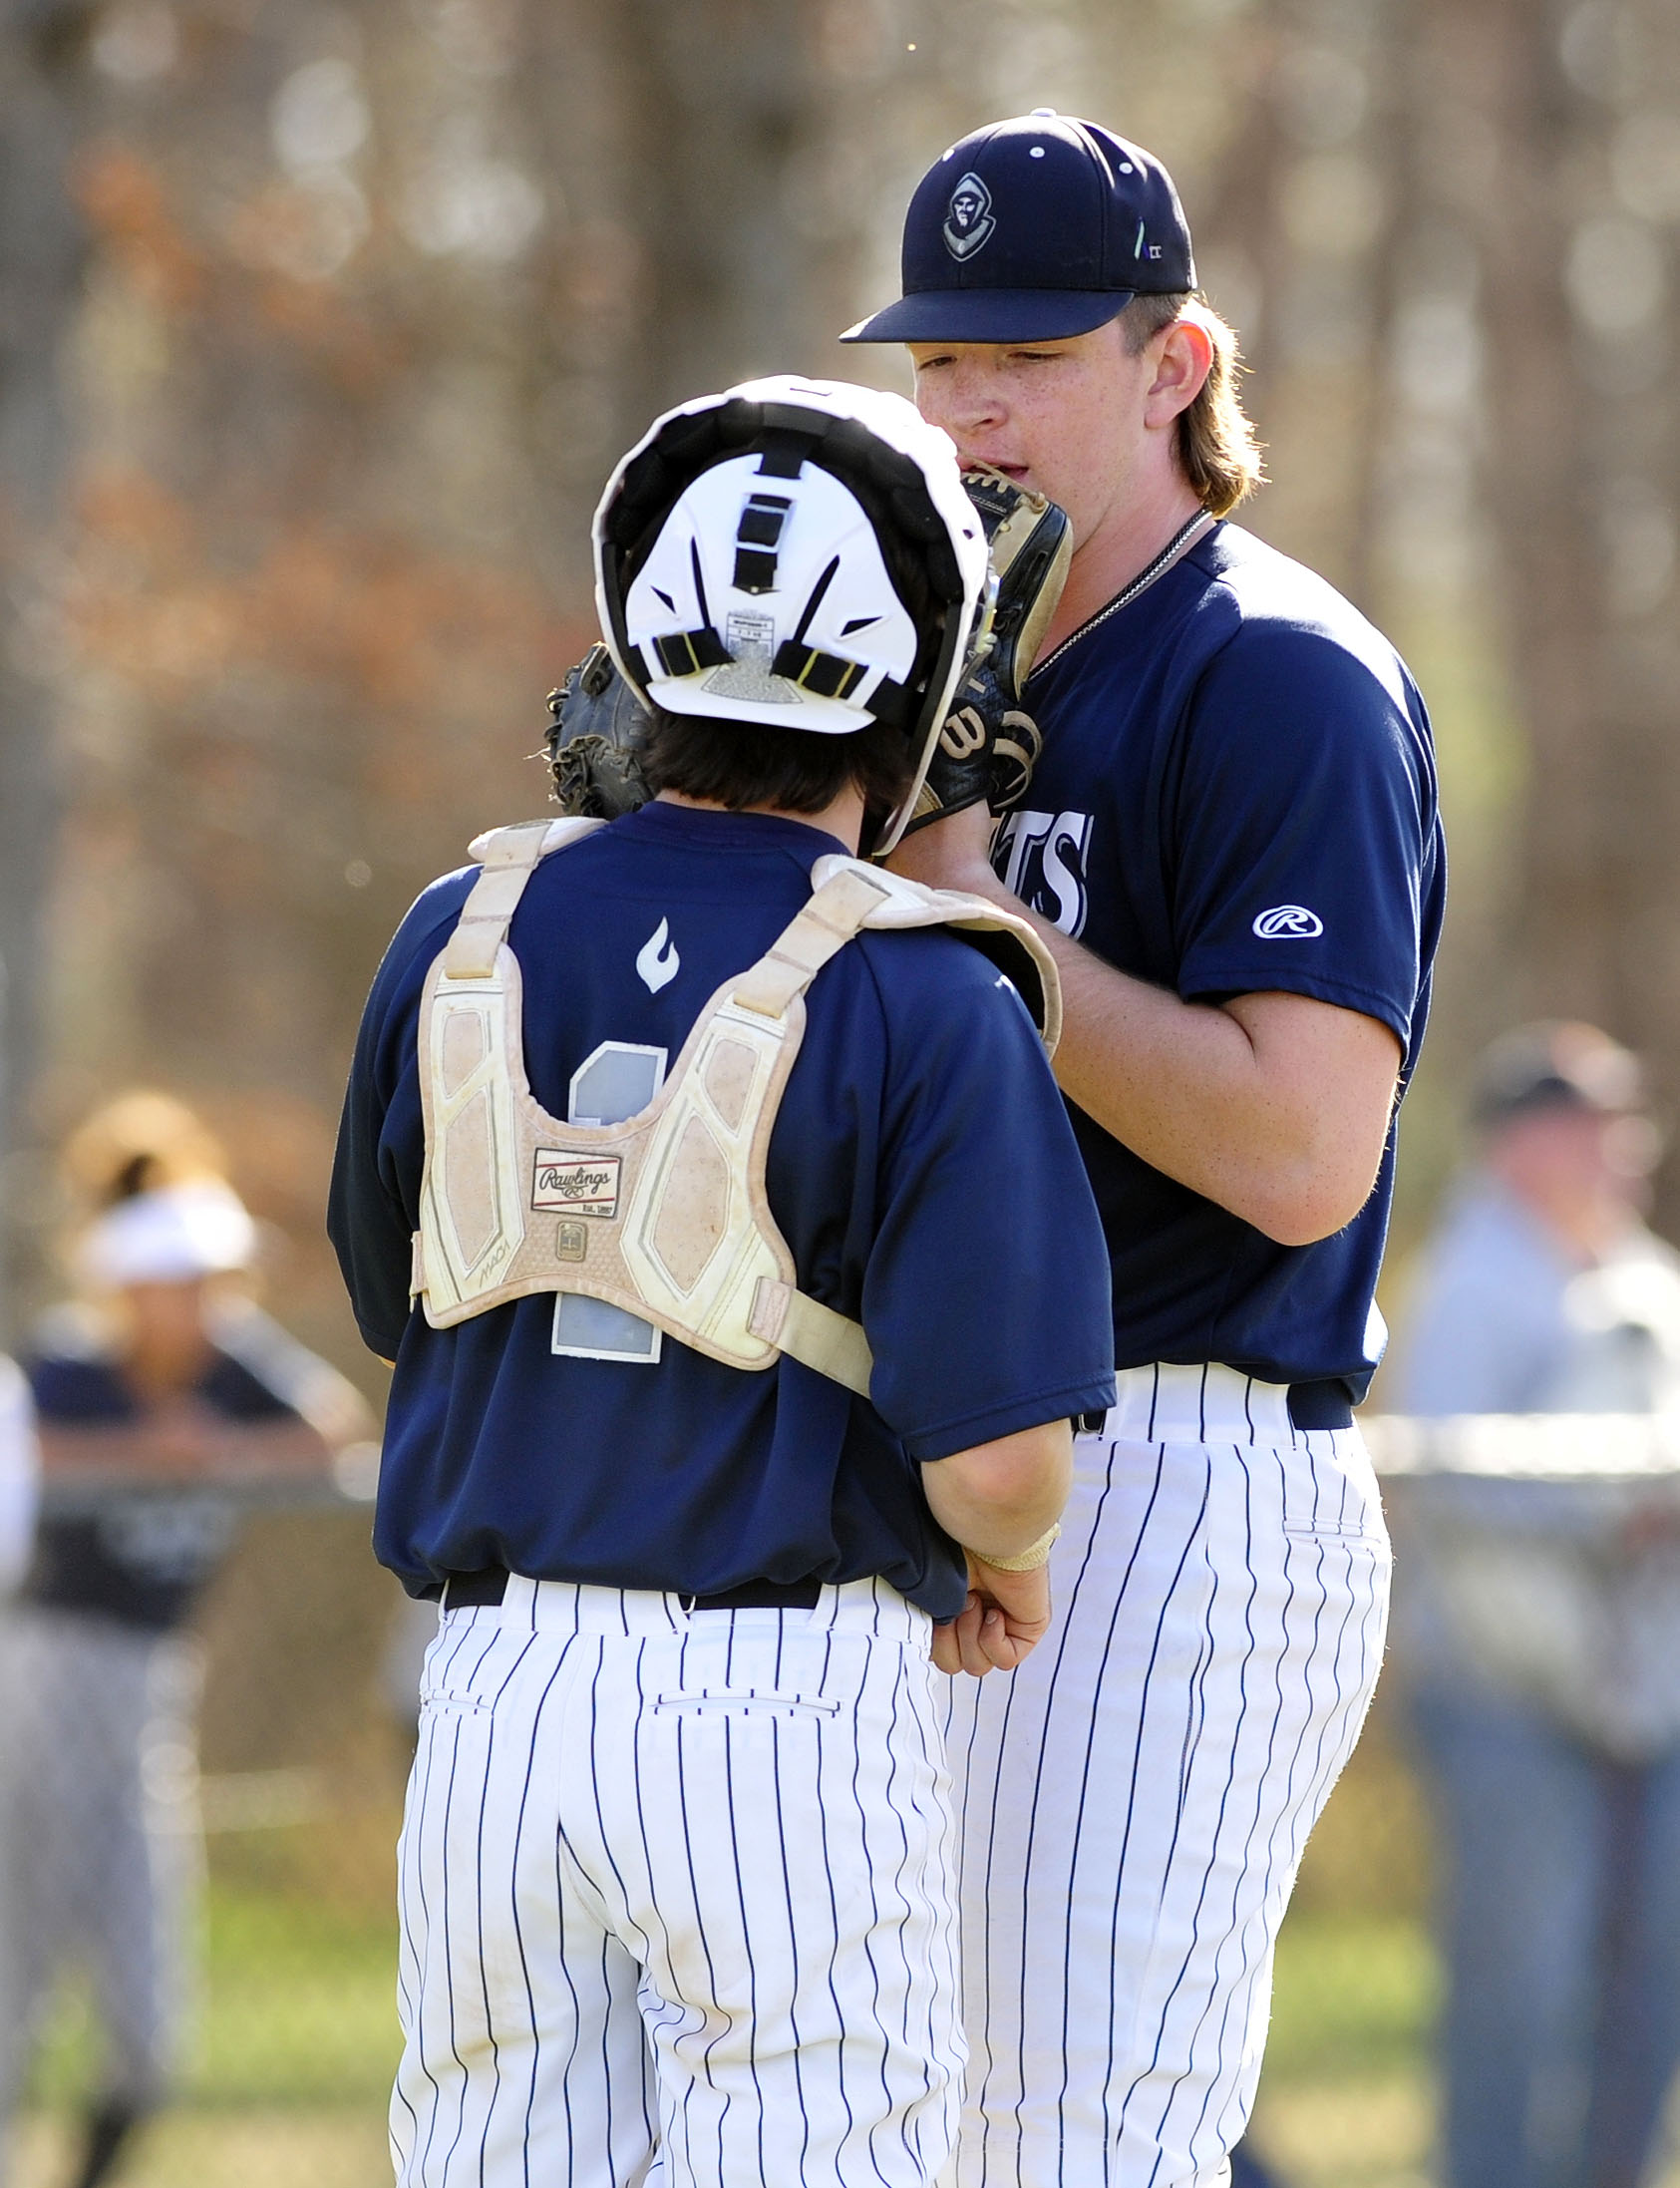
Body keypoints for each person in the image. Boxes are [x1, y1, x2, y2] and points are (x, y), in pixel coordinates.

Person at [328, 376, 1116, 2188]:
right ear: (917, 687)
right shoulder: (927, 984)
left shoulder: (456, 925)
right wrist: (998, 1554)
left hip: (497, 1696)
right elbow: (999, 1467)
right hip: (776, 1706)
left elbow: (405, 1294)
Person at [840, 112, 1447, 2183]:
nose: (969, 405)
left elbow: (1299, 1151)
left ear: (1174, 363)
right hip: (962, 1464)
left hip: (1179, 1473)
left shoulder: (1271, 673)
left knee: (1066, 2140)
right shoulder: (934, 673)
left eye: (1023, 353)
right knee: (904, 2125)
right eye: (935, 363)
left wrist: (978, 924)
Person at [0, 1091, 370, 2188]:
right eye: (177, 1287)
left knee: (145, 2007)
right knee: (18, 1964)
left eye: (212, 1285)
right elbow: (28, 1459)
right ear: (126, 1286)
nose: (201, 1307)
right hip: (48, 1675)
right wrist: (136, 1453)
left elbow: (330, 1431)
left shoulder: (228, 1366)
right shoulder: (69, 1367)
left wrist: (209, 1447)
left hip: (149, 1688)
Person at [1385, 1023, 1680, 2188]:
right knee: (1519, 1978)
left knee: (1650, 1966)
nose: (1620, 1145)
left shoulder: (1645, 1279)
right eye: (1588, 1122)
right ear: (1520, 1141)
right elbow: (1447, 1471)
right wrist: (1609, 1508)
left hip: (1646, 1690)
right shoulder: (1466, 1283)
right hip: (1501, 1687)